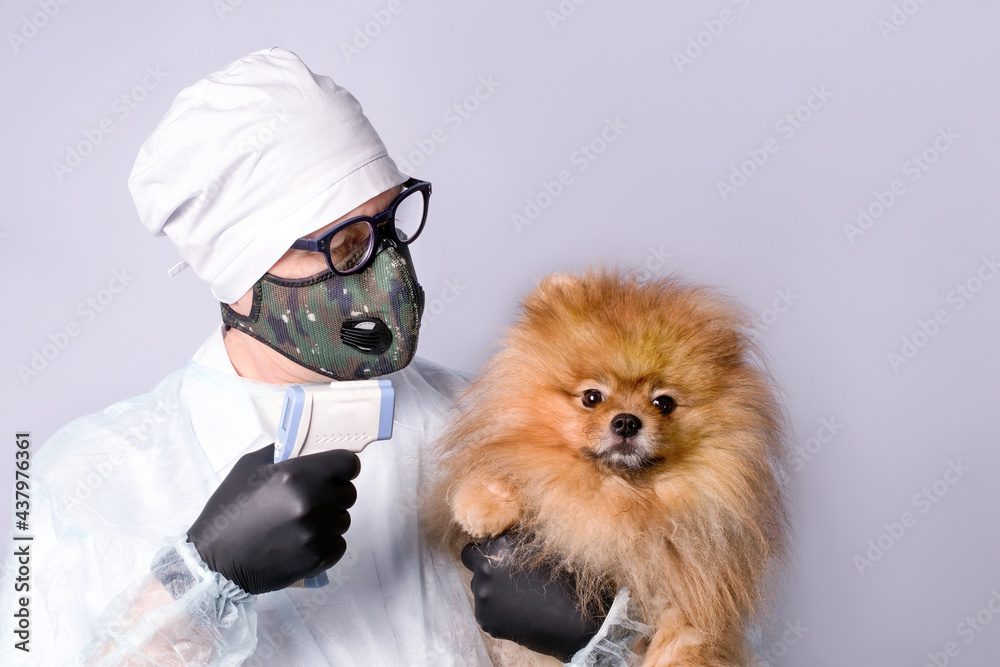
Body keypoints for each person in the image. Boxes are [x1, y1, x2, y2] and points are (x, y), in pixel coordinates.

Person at [0, 48, 648, 666]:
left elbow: (729, 626)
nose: (388, 269)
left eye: (391, 222)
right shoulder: (96, 471)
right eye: (344, 245)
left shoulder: (503, 424)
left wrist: (609, 639)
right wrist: (198, 581)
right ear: (241, 275)